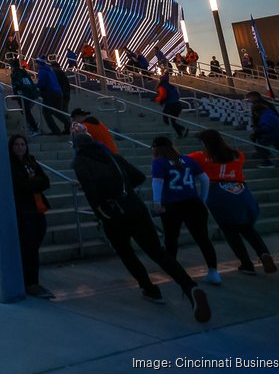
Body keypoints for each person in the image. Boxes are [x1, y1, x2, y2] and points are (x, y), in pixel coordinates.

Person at [71, 125, 211, 322]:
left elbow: (92, 193)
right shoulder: (113, 156)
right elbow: (139, 176)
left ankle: (149, 288)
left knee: (126, 253)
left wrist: (102, 211)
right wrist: (125, 190)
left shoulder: (80, 162)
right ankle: (190, 287)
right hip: (135, 208)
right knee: (157, 252)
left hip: (113, 215)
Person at [189, 129, 276, 276]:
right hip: (240, 190)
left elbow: (182, 161)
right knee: (247, 228)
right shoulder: (238, 155)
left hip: (218, 192)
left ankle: (246, 263)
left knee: (230, 231)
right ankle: (263, 253)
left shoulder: (200, 157)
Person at [150, 136, 221, 285]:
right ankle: (213, 271)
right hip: (193, 203)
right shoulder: (187, 160)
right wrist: (202, 199)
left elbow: (157, 182)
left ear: (156, 149)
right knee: (203, 238)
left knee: (171, 238)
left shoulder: (159, 162)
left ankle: (173, 270)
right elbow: (205, 179)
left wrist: (156, 202)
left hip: (172, 205)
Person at [9, 135, 53, 299]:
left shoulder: (31, 162)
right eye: (17, 144)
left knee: (34, 246)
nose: (20, 147)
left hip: (38, 208)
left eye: (23, 144)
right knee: (29, 248)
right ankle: (31, 282)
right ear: (11, 147)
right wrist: (36, 182)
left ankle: (30, 280)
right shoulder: (11, 164)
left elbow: (46, 182)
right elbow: (21, 185)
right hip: (24, 210)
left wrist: (33, 183)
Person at [246, 91, 279, 175]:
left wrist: (258, 130)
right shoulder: (268, 111)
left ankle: (267, 161)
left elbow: (268, 127)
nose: (249, 100)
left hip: (273, 135)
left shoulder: (265, 113)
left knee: (259, 143)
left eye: (250, 97)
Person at [35, 57, 67, 134]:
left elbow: (42, 83)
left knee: (46, 112)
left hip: (50, 93)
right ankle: (69, 124)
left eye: (36, 63)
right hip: (58, 92)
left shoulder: (42, 71)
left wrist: (33, 85)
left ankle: (55, 131)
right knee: (56, 111)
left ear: (39, 63)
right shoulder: (50, 69)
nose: (35, 65)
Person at [10, 60, 41, 135]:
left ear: (12, 66)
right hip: (31, 94)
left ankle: (35, 128)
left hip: (23, 95)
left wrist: (15, 95)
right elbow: (30, 82)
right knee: (25, 111)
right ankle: (30, 125)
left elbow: (16, 86)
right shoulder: (24, 72)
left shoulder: (14, 74)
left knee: (26, 112)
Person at [154, 71, 187, 139]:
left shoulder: (162, 87)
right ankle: (180, 133)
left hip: (170, 105)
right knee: (173, 121)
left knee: (166, 117)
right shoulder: (172, 86)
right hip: (177, 104)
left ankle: (180, 129)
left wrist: (156, 99)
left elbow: (162, 95)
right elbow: (178, 96)